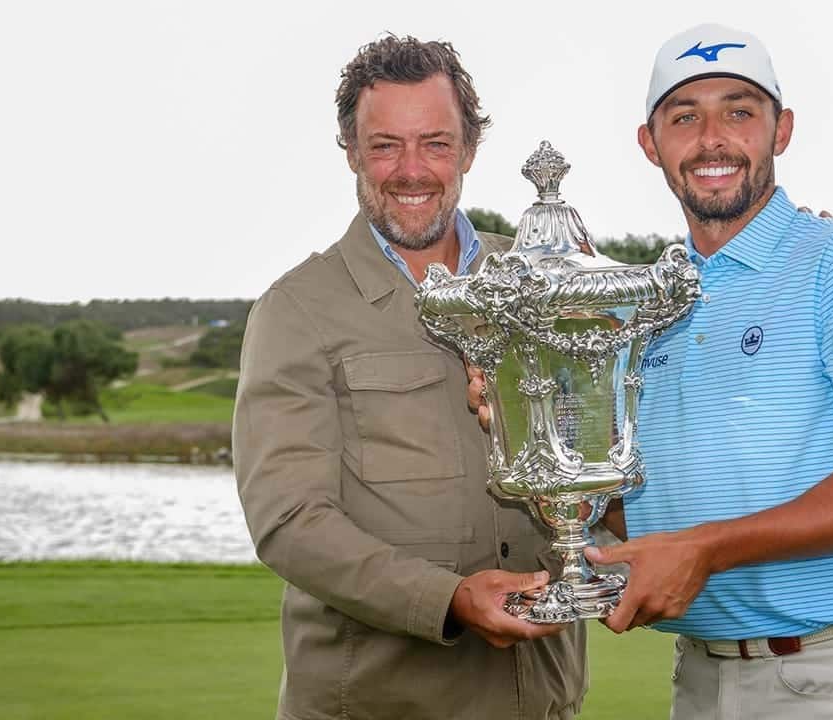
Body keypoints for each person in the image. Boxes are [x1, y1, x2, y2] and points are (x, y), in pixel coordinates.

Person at [591, 23, 833, 720]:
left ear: (780, 130)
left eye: (739, 112)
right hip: (698, 677)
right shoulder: (650, 303)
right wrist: (531, 429)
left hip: (828, 678)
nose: (713, 139)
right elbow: (651, 512)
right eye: (684, 117)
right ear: (650, 143)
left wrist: (705, 549)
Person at [232, 35, 586, 720]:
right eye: (386, 145)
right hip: (375, 706)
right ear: (351, 152)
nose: (411, 169)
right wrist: (450, 600)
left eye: (436, 143)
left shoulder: (546, 280)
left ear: (470, 151)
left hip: (542, 702)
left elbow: (603, 447)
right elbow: (290, 521)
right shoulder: (296, 310)